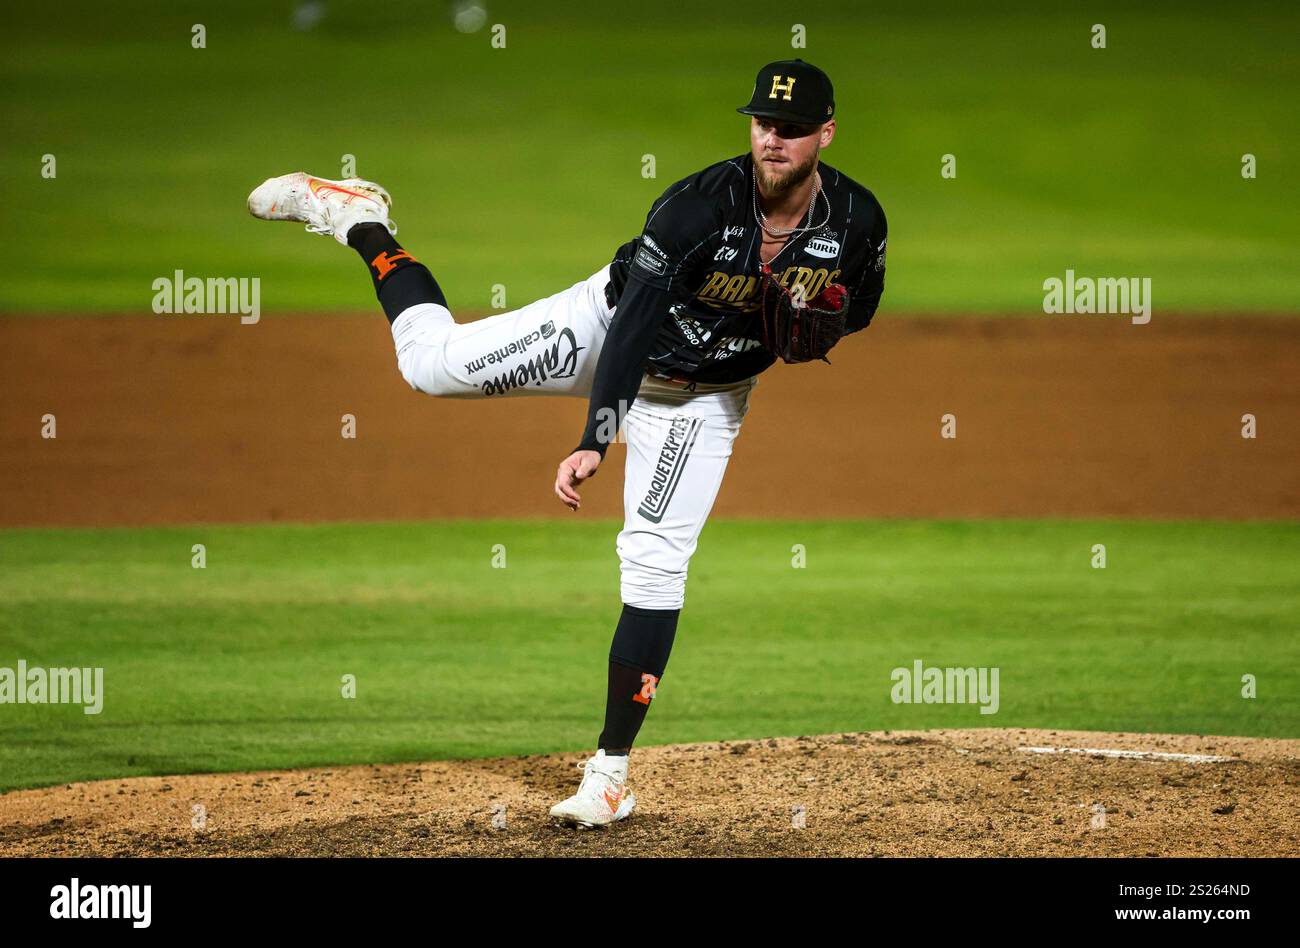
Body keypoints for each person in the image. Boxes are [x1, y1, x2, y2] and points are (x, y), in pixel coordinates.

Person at [248, 58, 887, 828]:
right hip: (604, 334)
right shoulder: (694, 209)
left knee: (655, 563)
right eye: (761, 124)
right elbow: (631, 331)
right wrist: (596, 438)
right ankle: (359, 221)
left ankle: (609, 777)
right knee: (429, 366)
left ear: (826, 132)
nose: (772, 139)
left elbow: (859, 311)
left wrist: (827, 313)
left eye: (790, 128)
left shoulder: (856, 220)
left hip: (706, 398)